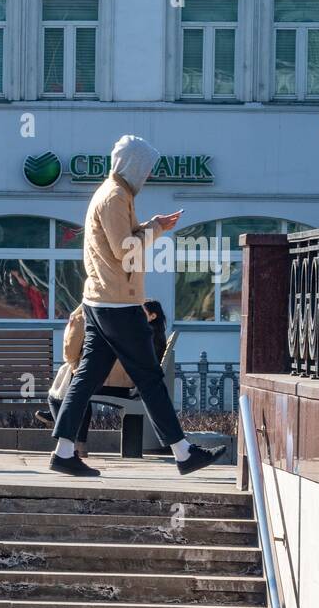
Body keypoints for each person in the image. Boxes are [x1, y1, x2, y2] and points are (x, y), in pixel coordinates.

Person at [50, 135, 225, 477]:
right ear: (131, 165)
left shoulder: (115, 193)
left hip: (102, 300)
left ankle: (64, 451)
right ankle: (183, 452)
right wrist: (157, 229)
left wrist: (153, 225)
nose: (147, 176)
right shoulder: (115, 197)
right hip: (117, 303)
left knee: (85, 378)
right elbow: (124, 249)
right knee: (149, 377)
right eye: (145, 169)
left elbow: (124, 241)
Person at [40, 299, 168, 457]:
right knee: (78, 384)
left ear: (153, 316)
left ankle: (65, 428)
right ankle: (66, 428)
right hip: (129, 383)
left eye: (142, 312)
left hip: (122, 385)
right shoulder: (152, 335)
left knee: (75, 388)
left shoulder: (140, 333)